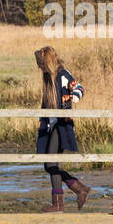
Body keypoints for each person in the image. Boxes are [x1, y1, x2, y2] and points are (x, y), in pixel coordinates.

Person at [34, 46, 92, 212]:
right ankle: (79, 189)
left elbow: (79, 87)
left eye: (40, 63)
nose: (39, 66)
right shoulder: (48, 78)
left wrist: (74, 96)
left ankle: (60, 203)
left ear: (47, 62)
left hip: (61, 125)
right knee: (49, 164)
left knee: (51, 163)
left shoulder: (63, 75)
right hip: (50, 125)